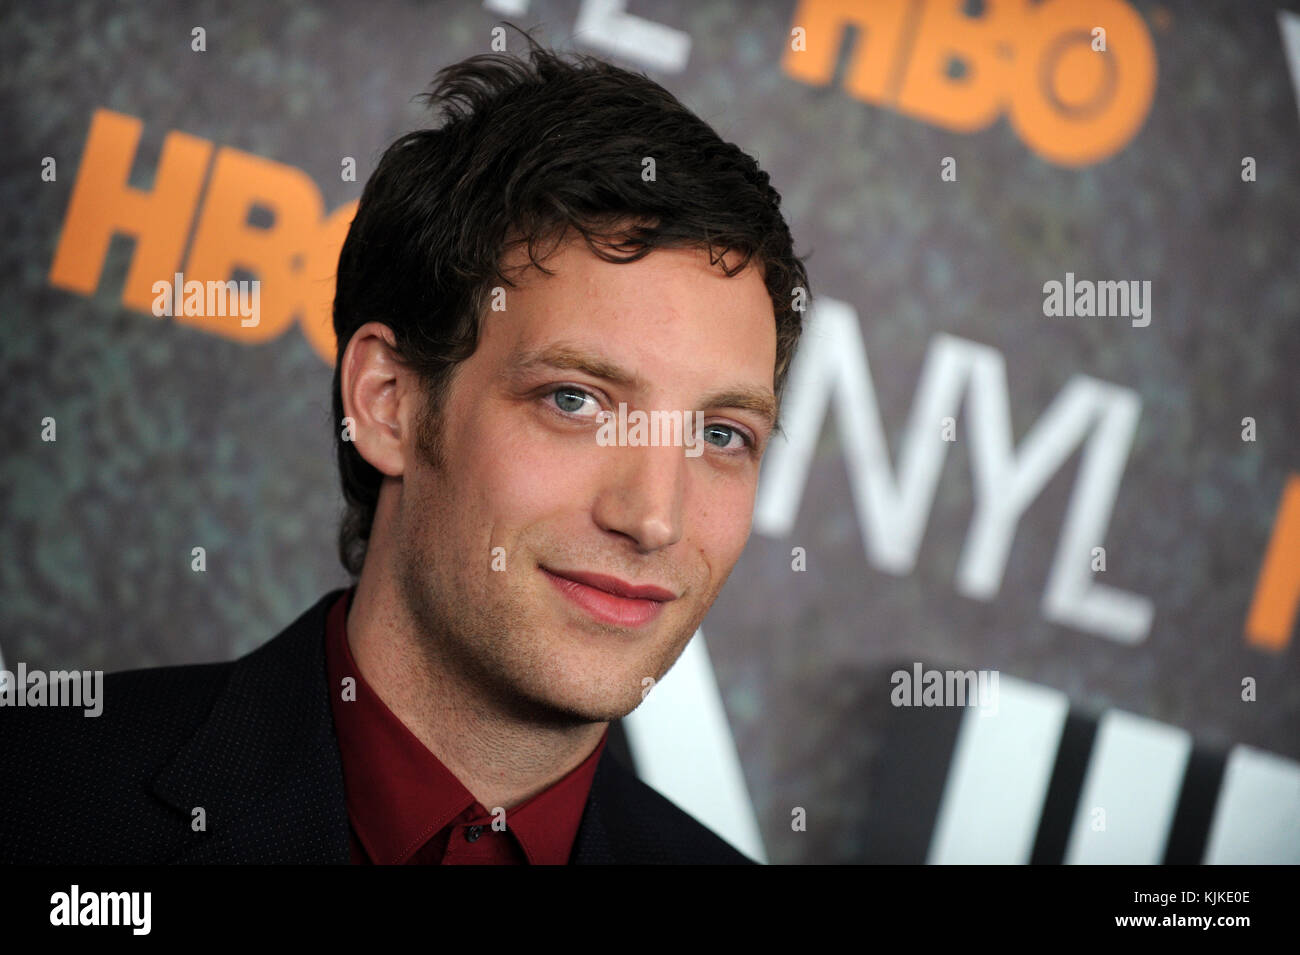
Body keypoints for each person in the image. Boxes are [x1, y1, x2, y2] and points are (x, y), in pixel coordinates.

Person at [0, 31, 809, 865]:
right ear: (386, 403)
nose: (652, 517)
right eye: (574, 400)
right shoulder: (35, 797)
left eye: (721, 434)